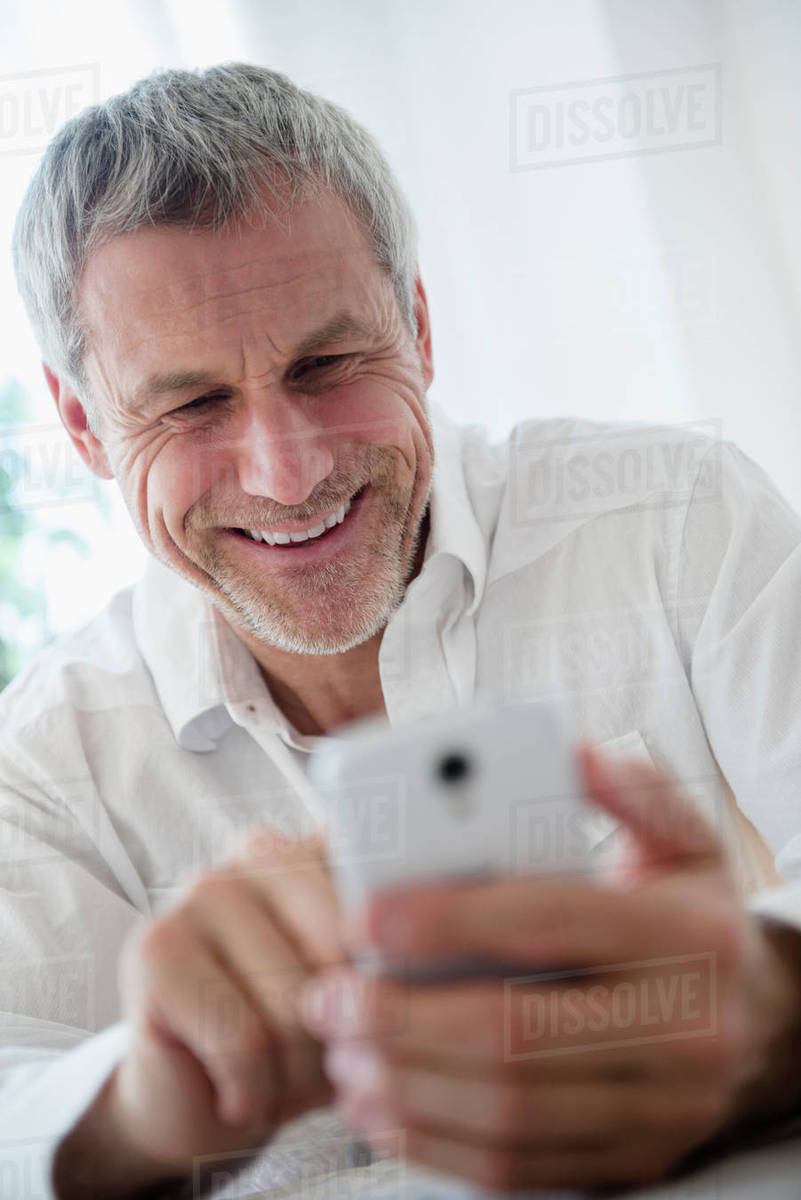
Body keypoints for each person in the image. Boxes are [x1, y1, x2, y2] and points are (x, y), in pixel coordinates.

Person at [5, 61, 801, 1198]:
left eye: (327, 364)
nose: (290, 473)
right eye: (190, 405)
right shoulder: (43, 761)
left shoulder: (680, 520)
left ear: (418, 326)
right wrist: (136, 1109)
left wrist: (762, 1008)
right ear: (84, 429)